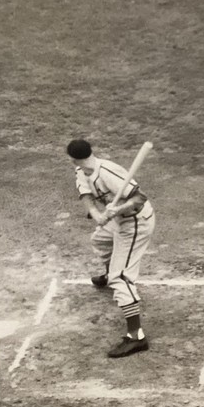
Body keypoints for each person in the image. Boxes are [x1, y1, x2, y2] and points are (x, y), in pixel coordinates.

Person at [66, 139, 156, 358]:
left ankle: (136, 337)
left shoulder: (107, 172)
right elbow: (86, 195)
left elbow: (140, 198)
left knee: (121, 278)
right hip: (119, 221)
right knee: (100, 240)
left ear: (71, 158)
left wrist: (119, 209)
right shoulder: (82, 171)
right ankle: (109, 275)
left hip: (136, 222)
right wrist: (99, 215)